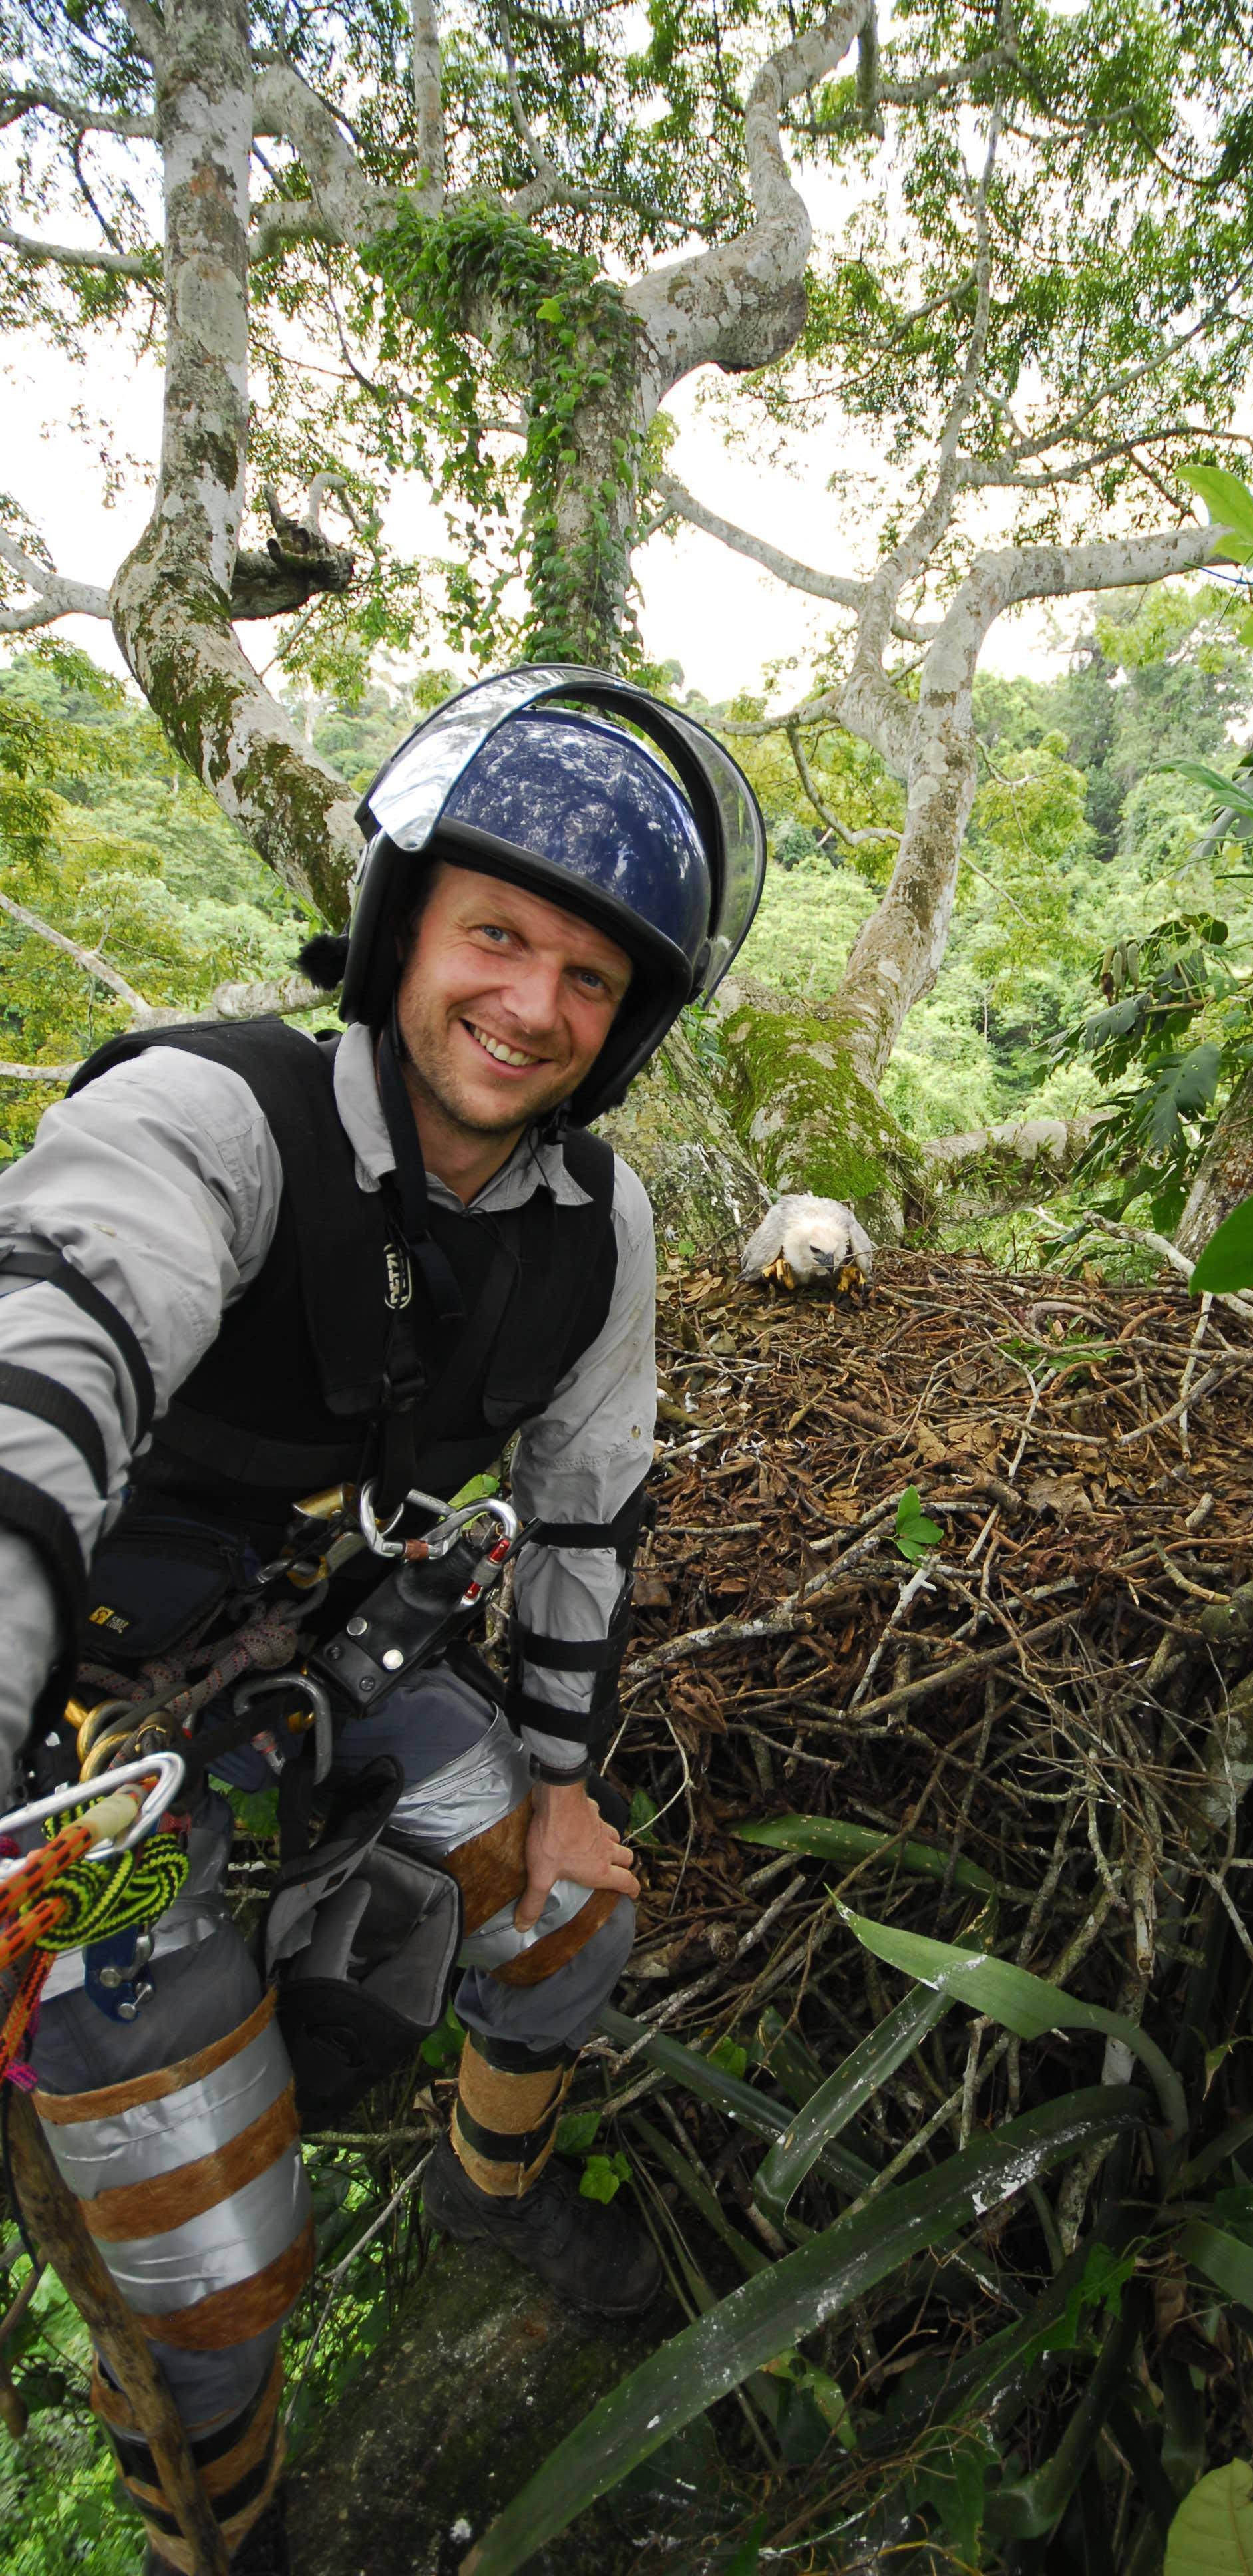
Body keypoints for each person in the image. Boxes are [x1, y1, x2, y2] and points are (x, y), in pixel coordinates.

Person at [0, 667, 764, 2574]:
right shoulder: (213, 1112)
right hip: (82, 1760)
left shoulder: (596, 1224)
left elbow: (588, 1501)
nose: (533, 1008)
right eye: (496, 936)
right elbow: (52, 1358)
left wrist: (571, 1774)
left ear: (634, 1021)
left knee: (576, 1908)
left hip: (347, 1656)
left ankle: (487, 2190)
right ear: (398, 925)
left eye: (592, 979)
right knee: (204, 2256)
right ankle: (220, 2536)